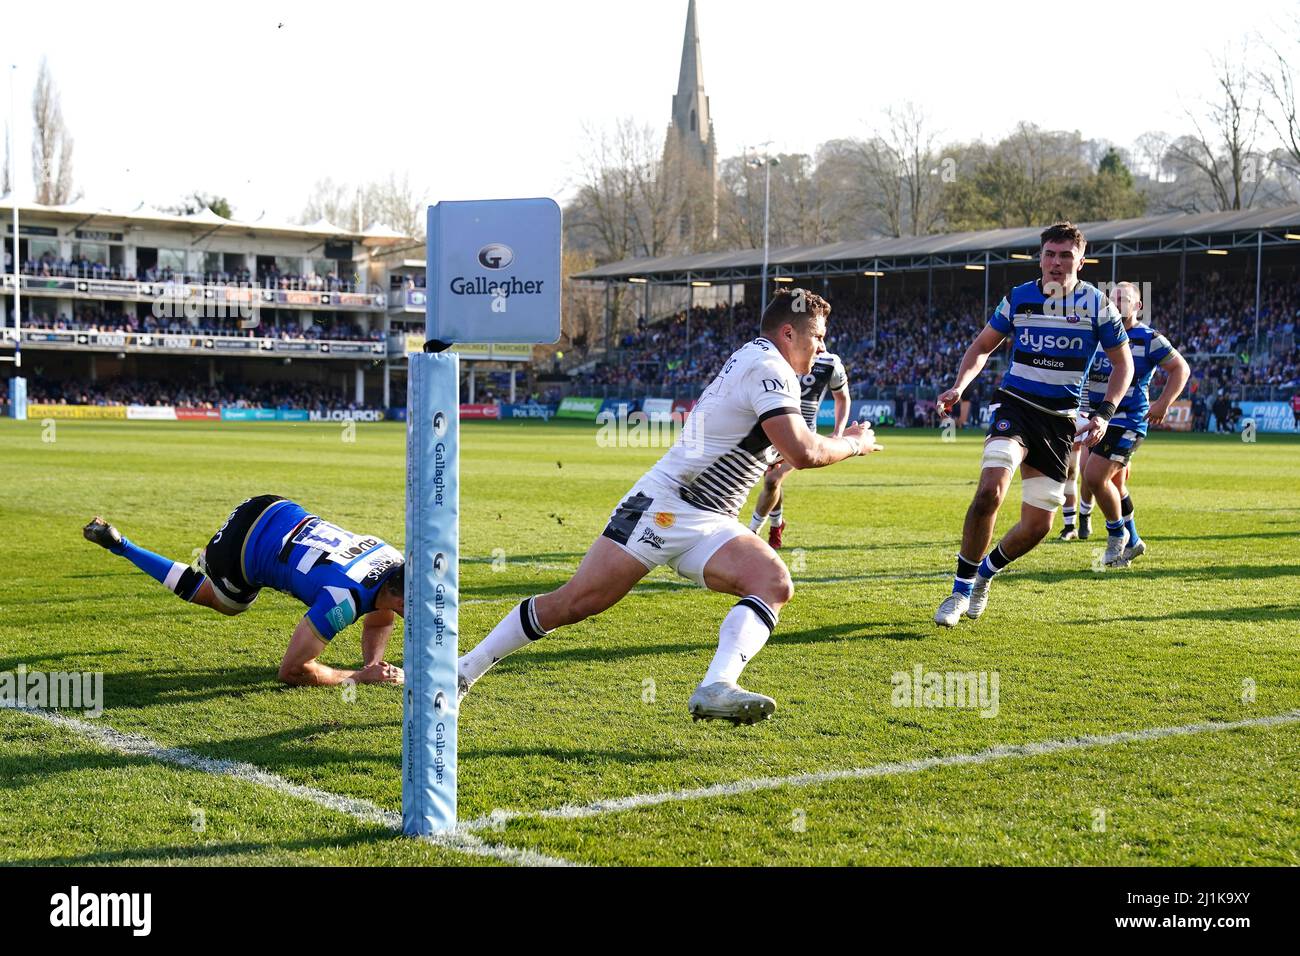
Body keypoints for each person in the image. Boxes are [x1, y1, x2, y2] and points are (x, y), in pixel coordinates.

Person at [457, 289, 882, 724]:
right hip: (664, 506)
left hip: (712, 519)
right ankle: (463, 670)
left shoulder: (758, 360)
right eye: (819, 337)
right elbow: (803, 453)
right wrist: (854, 443)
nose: (823, 348)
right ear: (789, 333)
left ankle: (717, 687)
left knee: (772, 582)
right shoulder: (769, 367)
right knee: (574, 603)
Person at [932, 221, 1133, 627]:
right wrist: (959, 386)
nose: (1056, 263)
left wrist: (1104, 414)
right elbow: (982, 347)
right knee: (990, 490)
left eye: (1065, 256)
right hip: (1015, 407)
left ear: (1081, 259)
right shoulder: (1018, 298)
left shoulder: (1098, 306)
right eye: (1049, 254)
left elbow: (1122, 364)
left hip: (1059, 423)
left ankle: (986, 572)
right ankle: (959, 589)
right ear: (1040, 257)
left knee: (1038, 525)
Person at [83, 496, 405, 686]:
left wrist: (373, 664)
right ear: (403, 595)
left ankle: (121, 543)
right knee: (225, 602)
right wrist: (358, 678)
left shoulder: (393, 558)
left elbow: (380, 614)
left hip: (272, 505)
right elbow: (291, 671)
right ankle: (124, 547)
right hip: (239, 550)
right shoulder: (343, 601)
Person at [1082, 281, 1190, 568]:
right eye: (1112, 297)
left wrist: (1163, 403)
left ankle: (1116, 537)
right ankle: (1132, 540)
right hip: (1098, 420)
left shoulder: (1148, 338)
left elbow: (1181, 368)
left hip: (1128, 420)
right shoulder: (1098, 336)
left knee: (1094, 477)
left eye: (1123, 298)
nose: (1116, 302)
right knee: (1111, 482)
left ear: (1138, 306)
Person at [747, 350, 851, 548]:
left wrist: (838, 433)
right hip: (771, 430)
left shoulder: (830, 362)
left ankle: (751, 534)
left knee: (772, 480)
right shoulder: (780, 353)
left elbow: (842, 397)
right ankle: (777, 525)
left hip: (802, 435)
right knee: (772, 484)